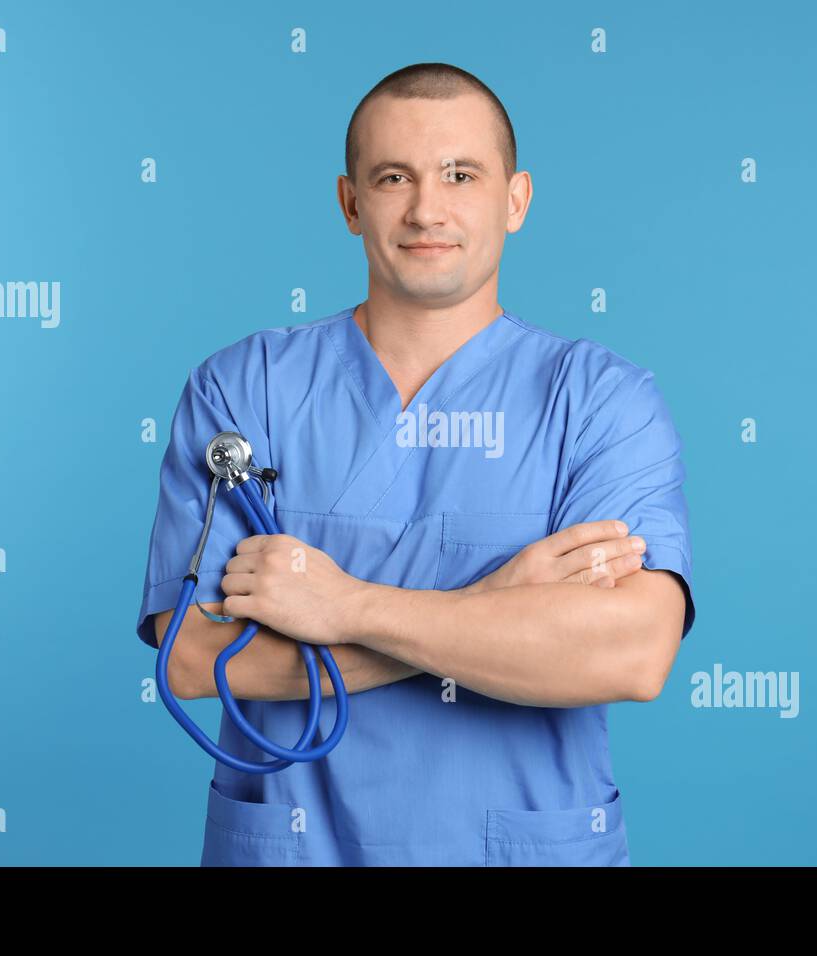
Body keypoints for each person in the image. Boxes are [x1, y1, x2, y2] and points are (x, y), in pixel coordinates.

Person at [135, 62, 696, 866]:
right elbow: (191, 659)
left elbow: (632, 654)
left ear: (516, 199)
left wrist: (348, 606)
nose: (427, 209)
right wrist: (494, 606)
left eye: (460, 175)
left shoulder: (600, 403)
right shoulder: (245, 388)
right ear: (351, 202)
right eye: (394, 177)